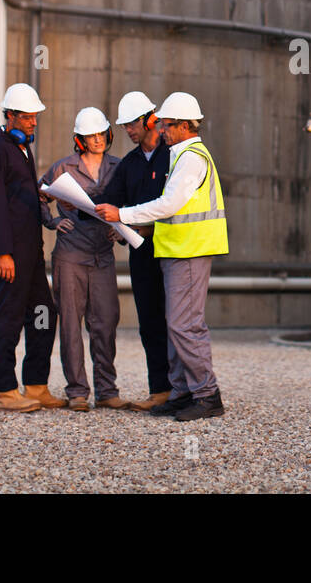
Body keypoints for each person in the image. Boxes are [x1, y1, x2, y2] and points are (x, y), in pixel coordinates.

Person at [97, 92, 227, 421]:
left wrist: (123, 215)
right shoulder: (179, 155)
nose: (162, 130)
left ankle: (207, 395)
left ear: (185, 126)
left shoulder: (191, 158)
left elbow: (169, 204)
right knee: (176, 325)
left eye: (167, 125)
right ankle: (182, 393)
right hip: (177, 250)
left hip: (189, 251)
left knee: (186, 325)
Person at [0, 83, 65, 412]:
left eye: (35, 117)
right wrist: (2, 253)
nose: (34, 123)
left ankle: (36, 385)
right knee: (8, 320)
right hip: (11, 254)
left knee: (44, 314)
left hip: (30, 253)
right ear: (11, 116)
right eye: (28, 117)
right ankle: (4, 391)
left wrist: (40, 193)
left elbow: (16, 196)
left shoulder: (22, 150)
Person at [39, 106, 125, 411]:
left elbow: (130, 206)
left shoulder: (119, 167)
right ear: (80, 139)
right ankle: (77, 391)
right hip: (70, 255)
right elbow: (40, 196)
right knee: (71, 324)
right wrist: (52, 222)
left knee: (105, 322)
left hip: (103, 254)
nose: (98, 139)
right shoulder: (62, 168)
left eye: (102, 133)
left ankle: (106, 390)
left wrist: (122, 231)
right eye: (91, 135)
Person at [96, 92, 171, 411]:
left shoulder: (175, 156)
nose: (128, 131)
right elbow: (113, 201)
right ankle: (161, 390)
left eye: (131, 124)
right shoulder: (128, 165)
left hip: (174, 251)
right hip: (142, 255)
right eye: (124, 126)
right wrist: (115, 224)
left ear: (150, 119)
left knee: (178, 322)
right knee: (150, 321)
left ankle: (186, 388)